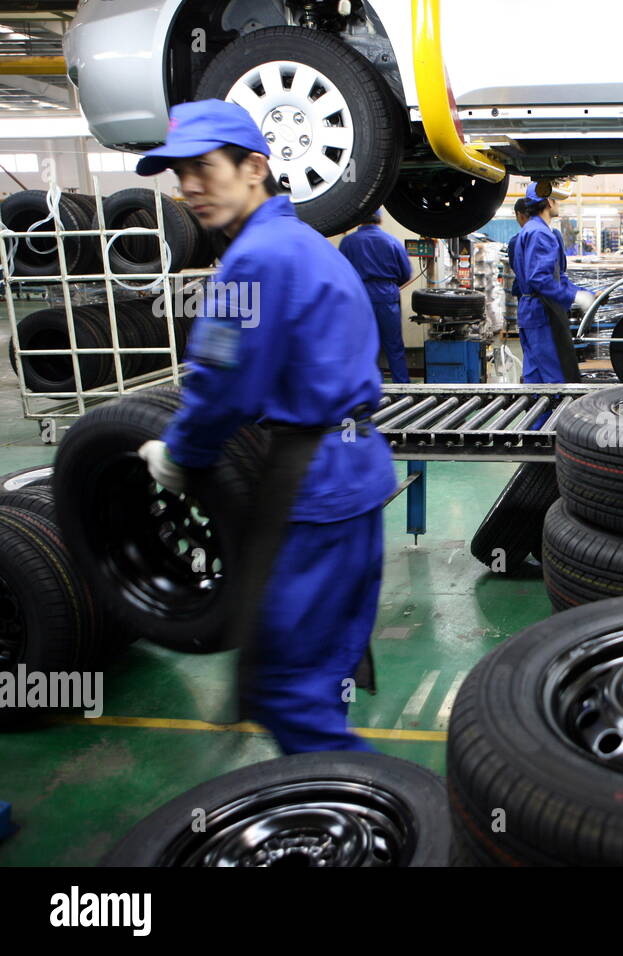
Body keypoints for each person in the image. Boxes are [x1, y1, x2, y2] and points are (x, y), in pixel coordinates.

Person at [134, 99, 396, 753]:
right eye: (177, 174)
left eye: (203, 168)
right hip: (358, 472)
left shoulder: (255, 260)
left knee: (287, 688)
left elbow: (222, 385)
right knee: (326, 668)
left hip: (311, 487)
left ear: (254, 167)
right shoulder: (309, 244)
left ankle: (358, 817)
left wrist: (180, 456)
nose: (189, 188)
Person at [512, 182, 594, 383]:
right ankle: (555, 415)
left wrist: (582, 292)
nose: (559, 205)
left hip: (529, 311)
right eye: (557, 200)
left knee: (535, 376)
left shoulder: (528, 231)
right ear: (548, 202)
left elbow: (557, 276)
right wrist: (574, 296)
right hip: (543, 313)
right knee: (555, 377)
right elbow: (540, 279)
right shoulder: (541, 233)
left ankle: (540, 415)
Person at [339, 209, 413, 383]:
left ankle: (370, 389)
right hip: (387, 296)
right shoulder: (391, 241)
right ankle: (403, 391)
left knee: (363, 346)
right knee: (394, 346)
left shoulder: (348, 242)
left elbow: (340, 272)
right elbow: (405, 273)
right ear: (380, 219)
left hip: (360, 297)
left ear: (358, 219)